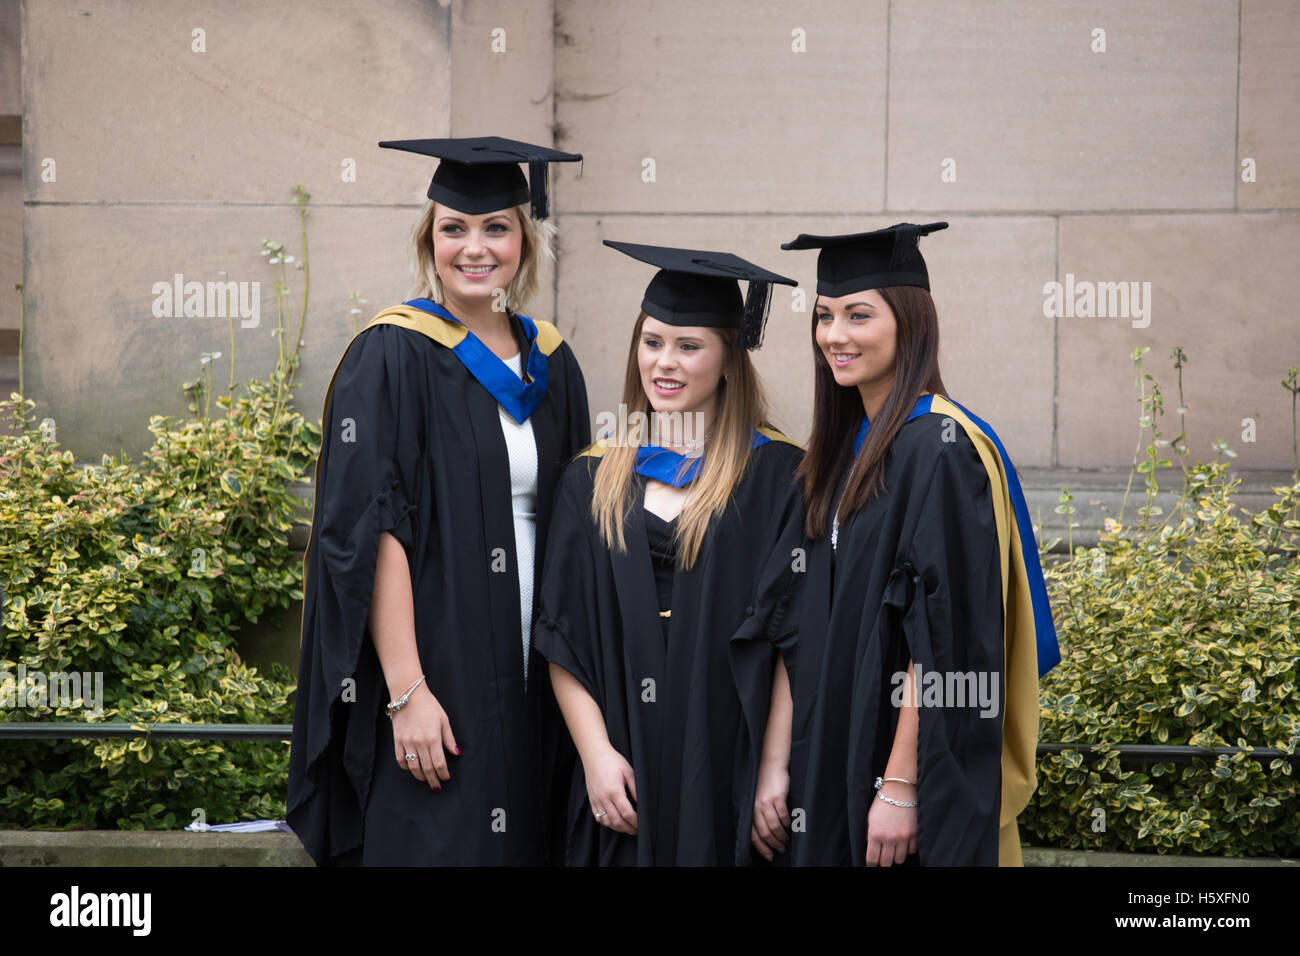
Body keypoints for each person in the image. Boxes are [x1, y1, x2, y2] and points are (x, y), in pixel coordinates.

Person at [287, 137, 591, 866]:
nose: (474, 248)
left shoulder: (552, 360)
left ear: (525, 240)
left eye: (496, 228)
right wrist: (405, 690)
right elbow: (372, 530)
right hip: (440, 669)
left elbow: (582, 523)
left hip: (539, 670)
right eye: (453, 228)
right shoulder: (392, 354)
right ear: (430, 240)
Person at [751, 222, 1059, 867]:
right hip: (833, 750)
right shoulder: (841, 452)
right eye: (824, 316)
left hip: (895, 763)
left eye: (859, 315)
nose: (835, 336)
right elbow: (795, 621)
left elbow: (944, 634)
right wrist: (777, 765)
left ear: (910, 323)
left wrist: (900, 785)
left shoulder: (941, 450)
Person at [533, 240, 804, 865]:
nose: (666, 363)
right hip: (620, 765)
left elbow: (792, 633)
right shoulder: (590, 480)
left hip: (726, 755)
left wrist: (772, 767)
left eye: (689, 346)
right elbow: (560, 635)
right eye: (652, 342)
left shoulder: (777, 478)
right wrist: (596, 757)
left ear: (729, 359)